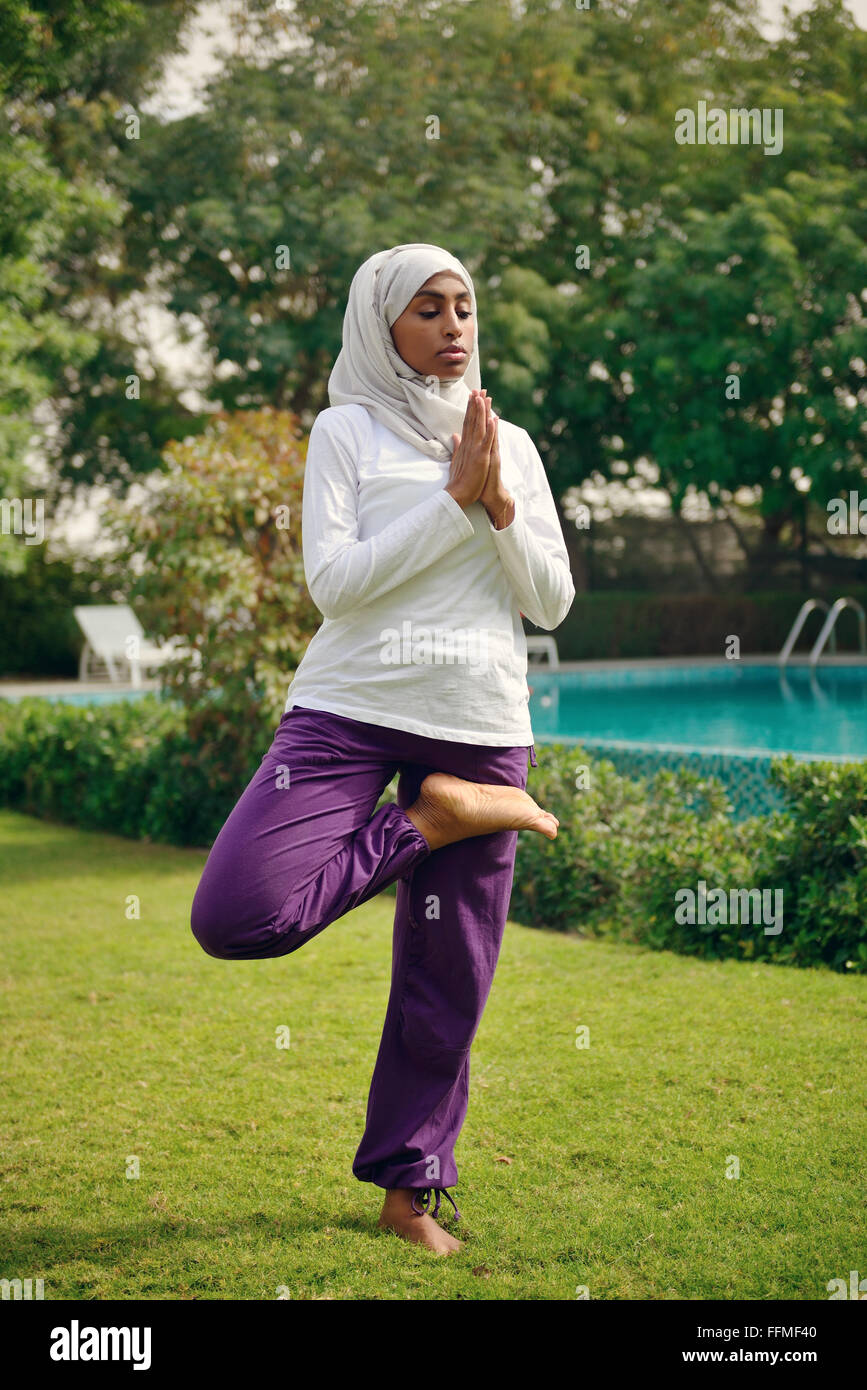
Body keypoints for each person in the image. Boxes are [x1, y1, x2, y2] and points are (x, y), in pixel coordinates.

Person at [190, 242, 575, 1256]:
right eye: (427, 310)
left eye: (464, 308)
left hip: (480, 714)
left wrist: (495, 503)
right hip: (347, 706)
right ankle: (429, 818)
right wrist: (452, 501)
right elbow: (339, 584)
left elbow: (551, 599)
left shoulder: (513, 445)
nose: (454, 328)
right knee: (239, 912)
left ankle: (410, 1190)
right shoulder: (348, 430)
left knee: (449, 971)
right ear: (380, 326)